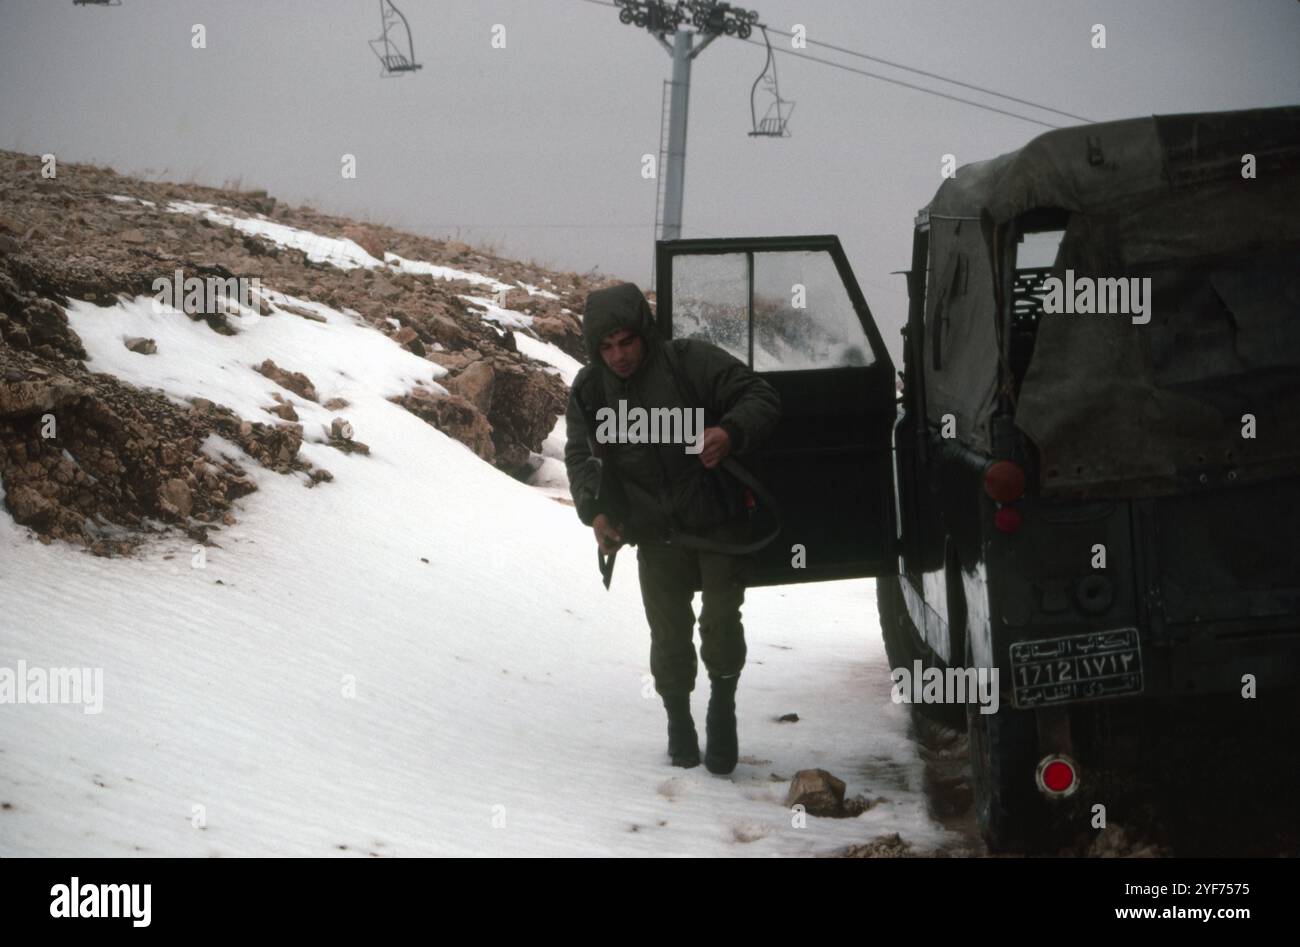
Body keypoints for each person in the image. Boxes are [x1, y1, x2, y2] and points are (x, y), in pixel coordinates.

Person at [564, 282, 781, 774]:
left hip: (716, 522)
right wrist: (595, 512)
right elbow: (579, 455)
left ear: (644, 333)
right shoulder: (591, 389)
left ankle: (721, 706)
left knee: (721, 622)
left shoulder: (689, 363)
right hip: (653, 532)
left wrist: (728, 433)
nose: (619, 356)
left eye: (627, 341)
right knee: (668, 635)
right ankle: (678, 721)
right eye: (607, 347)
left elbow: (760, 395)